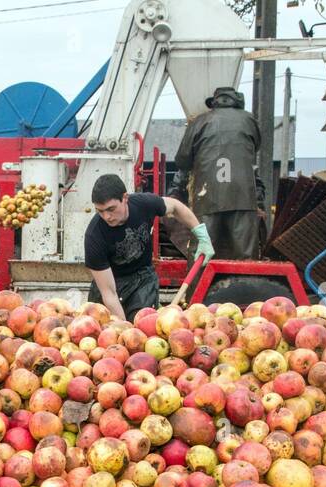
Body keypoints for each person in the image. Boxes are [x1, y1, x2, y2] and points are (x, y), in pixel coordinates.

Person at [84, 174, 213, 321]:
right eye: (100, 211)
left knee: (145, 326)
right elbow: (109, 293)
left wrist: (201, 233)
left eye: (111, 209)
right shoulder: (94, 236)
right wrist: (124, 330)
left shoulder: (144, 204)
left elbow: (176, 207)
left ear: (125, 198)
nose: (107, 216)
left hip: (142, 278)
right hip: (112, 280)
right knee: (106, 331)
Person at [173, 86, 263, 260]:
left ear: (214, 102)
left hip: (207, 198)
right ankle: (246, 287)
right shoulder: (249, 120)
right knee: (245, 257)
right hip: (242, 197)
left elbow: (182, 159)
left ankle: (195, 287)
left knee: (201, 252)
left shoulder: (200, 121)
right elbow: (256, 147)